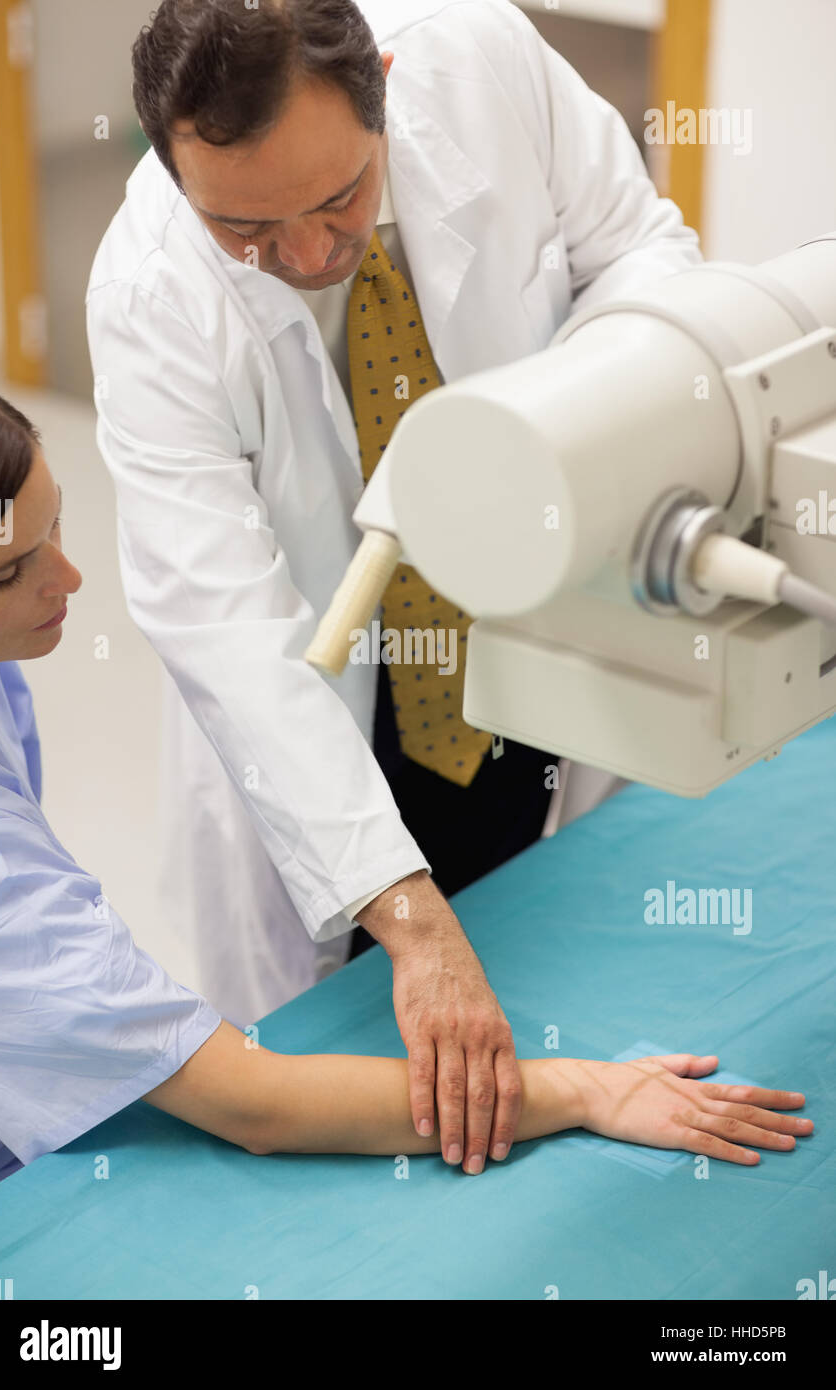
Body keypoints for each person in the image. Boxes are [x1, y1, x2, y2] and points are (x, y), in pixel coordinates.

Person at [87, 0, 705, 1171]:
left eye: (338, 200)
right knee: (367, 1071)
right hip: (323, 725)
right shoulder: (149, 295)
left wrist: (555, 437)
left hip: (523, 631)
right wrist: (411, 920)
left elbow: (642, 254)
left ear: (381, 84)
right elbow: (227, 629)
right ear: (171, 164)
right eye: (247, 229)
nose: (312, 257)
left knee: (560, 939)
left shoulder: (478, 57)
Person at [0, 384, 815, 1198]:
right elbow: (251, 1103)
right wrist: (583, 1091)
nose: (71, 579)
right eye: (10, 575)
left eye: (57, 531)